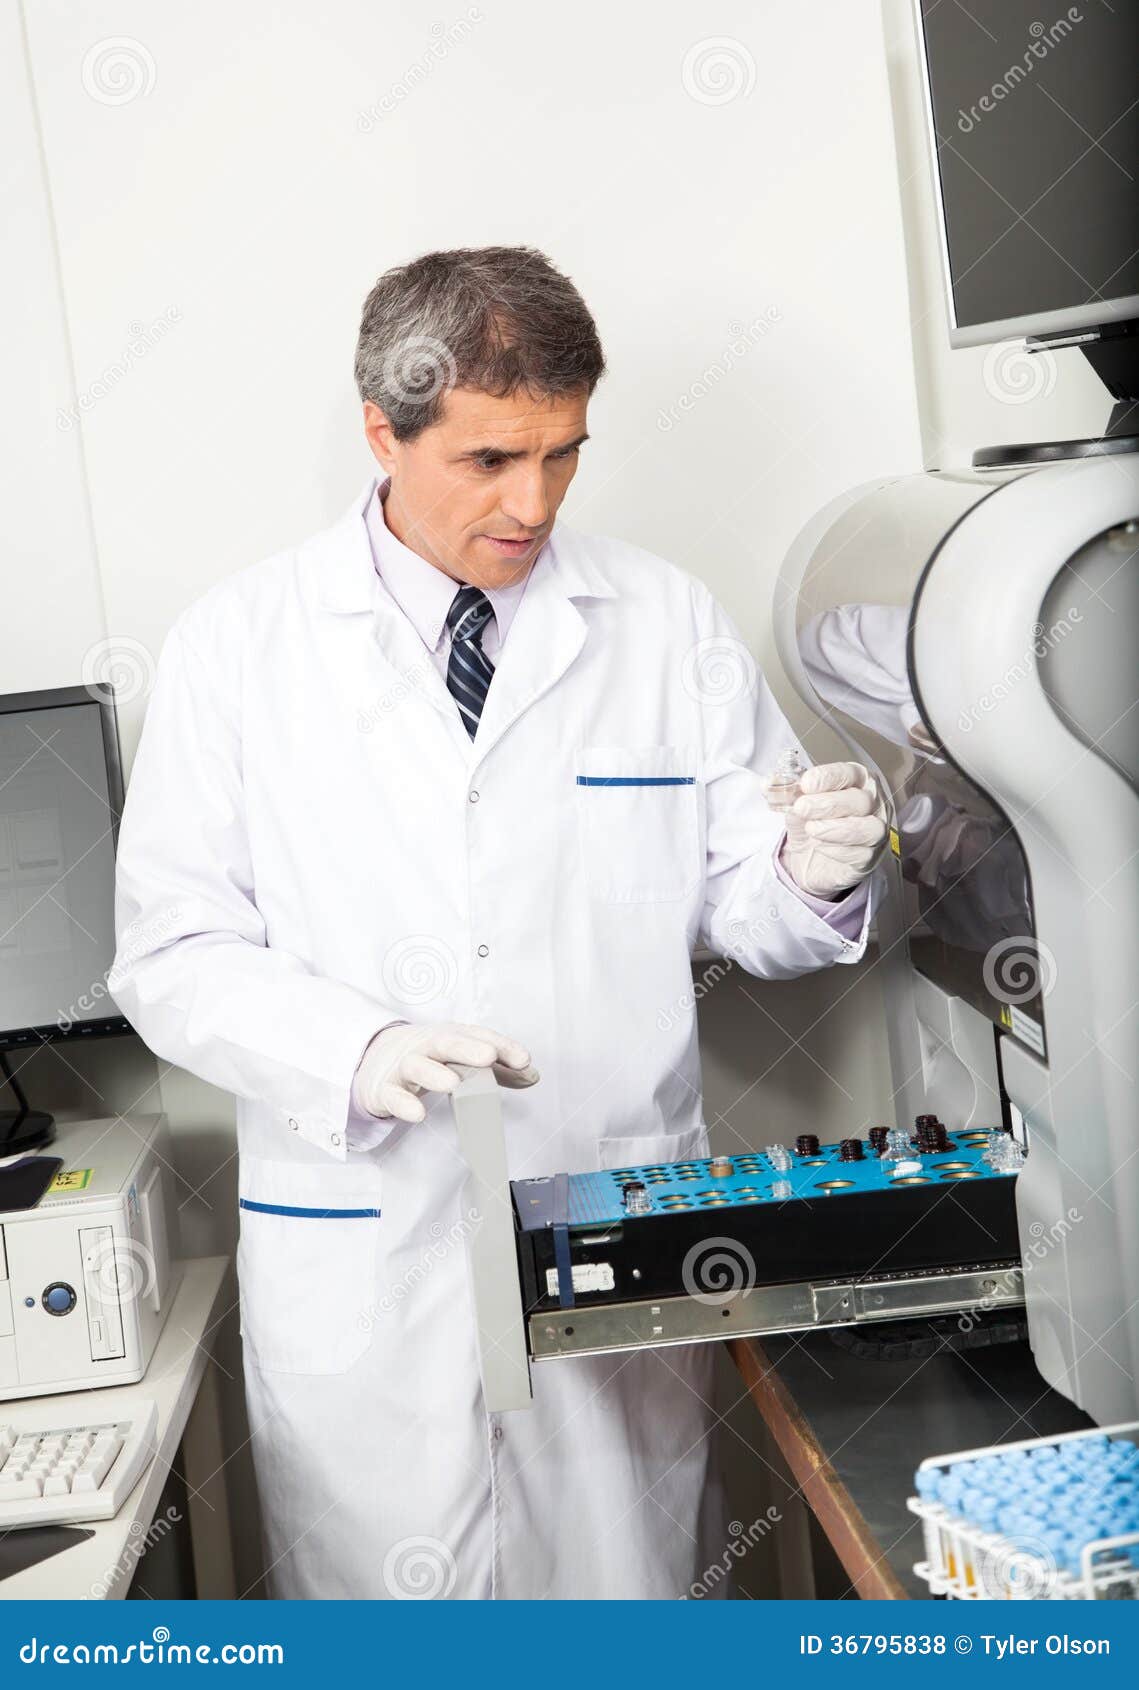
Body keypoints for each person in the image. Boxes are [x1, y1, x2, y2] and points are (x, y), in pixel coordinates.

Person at [111, 246, 888, 1600]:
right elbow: (169, 951)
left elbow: (744, 909)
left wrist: (815, 873)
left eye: (564, 456)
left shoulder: (660, 621)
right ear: (384, 431)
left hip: (610, 1231)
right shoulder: (237, 647)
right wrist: (357, 1047)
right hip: (371, 1249)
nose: (533, 503)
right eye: (489, 460)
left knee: (632, 1613)